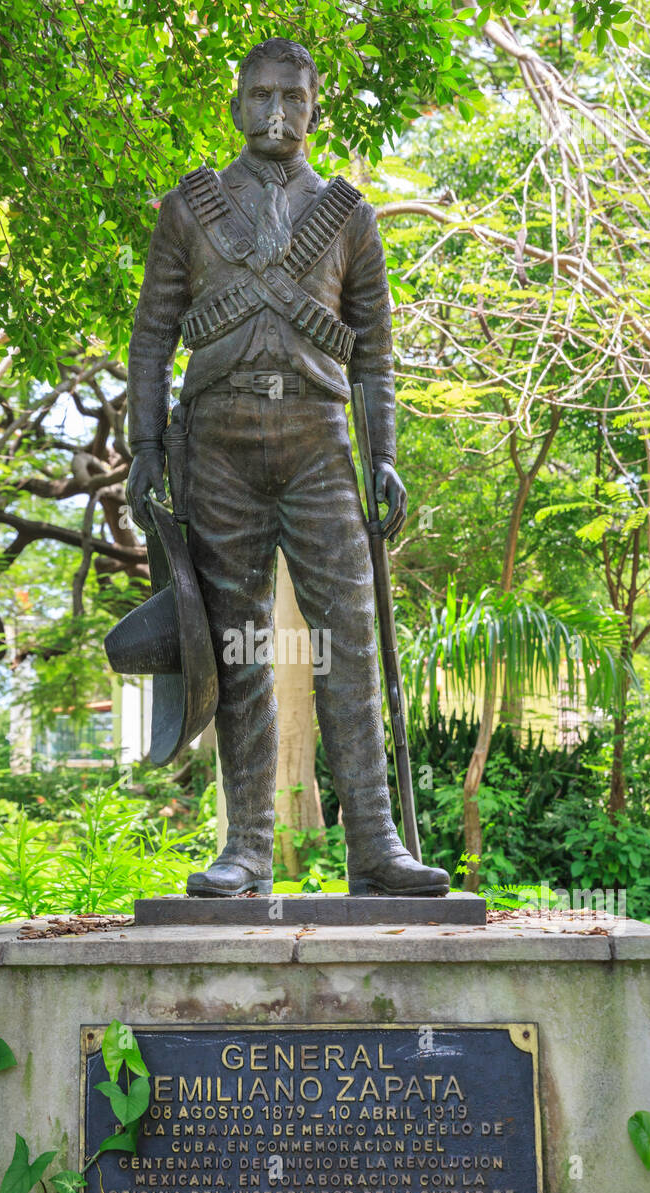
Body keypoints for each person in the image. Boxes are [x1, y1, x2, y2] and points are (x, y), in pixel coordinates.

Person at [125, 37, 449, 899]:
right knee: (237, 649)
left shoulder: (347, 216)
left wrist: (384, 456)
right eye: (260, 96)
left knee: (348, 642)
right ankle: (249, 849)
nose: (276, 113)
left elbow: (375, 351)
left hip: (318, 444)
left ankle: (376, 847)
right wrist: (146, 446)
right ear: (237, 105)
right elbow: (154, 336)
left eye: (292, 99)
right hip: (218, 447)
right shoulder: (189, 209)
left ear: (313, 110)